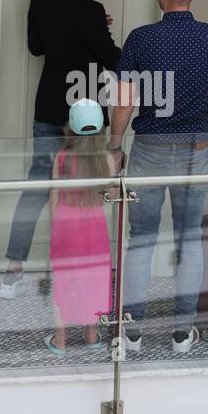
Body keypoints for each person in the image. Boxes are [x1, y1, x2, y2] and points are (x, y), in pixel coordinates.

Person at [107, 0, 208, 355]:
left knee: (141, 241)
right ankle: (182, 333)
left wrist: (114, 147)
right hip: (196, 151)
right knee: (190, 240)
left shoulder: (141, 38)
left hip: (149, 150)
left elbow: (125, 104)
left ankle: (131, 333)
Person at [0, 0, 121, 299]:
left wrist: (90, 29)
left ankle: (12, 271)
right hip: (85, 108)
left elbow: (37, 47)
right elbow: (111, 58)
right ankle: (78, 271)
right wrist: (99, 31)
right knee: (85, 190)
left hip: (50, 105)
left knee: (37, 186)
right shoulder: (90, 9)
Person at [44, 99, 119, 355]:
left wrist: (55, 227)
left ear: (71, 128)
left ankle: (61, 339)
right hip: (94, 228)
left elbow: (54, 194)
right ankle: (90, 334)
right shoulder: (107, 160)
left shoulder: (62, 158)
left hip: (66, 227)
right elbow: (108, 195)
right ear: (100, 129)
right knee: (94, 280)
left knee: (64, 281)